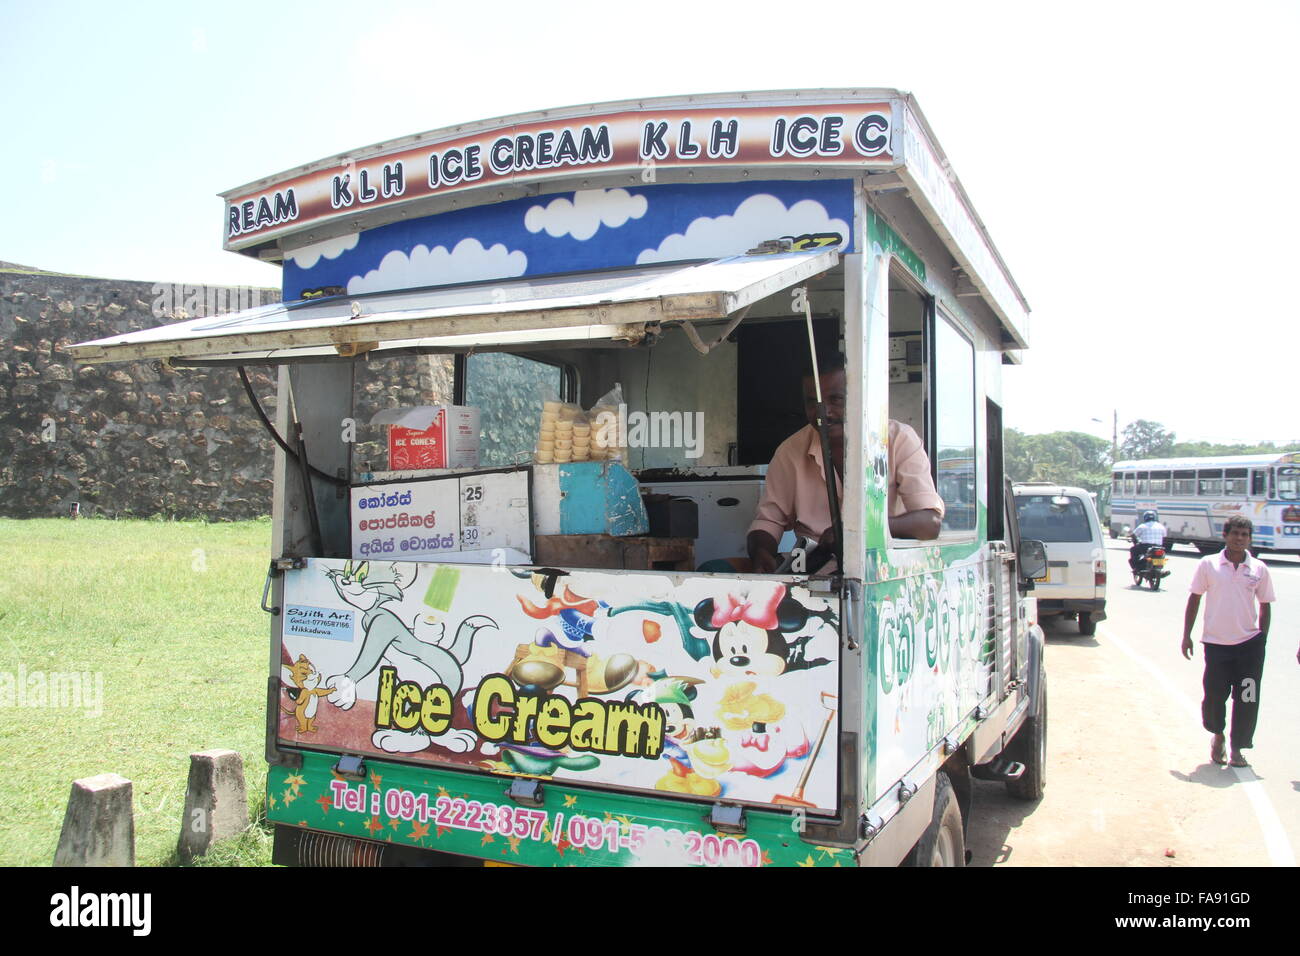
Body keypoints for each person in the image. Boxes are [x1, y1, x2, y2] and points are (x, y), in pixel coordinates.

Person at [746, 356, 944, 573]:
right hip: (813, 575)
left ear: (860, 397)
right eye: (812, 402)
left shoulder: (899, 439)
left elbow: (929, 523)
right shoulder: (789, 451)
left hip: (885, 574)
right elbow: (768, 522)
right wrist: (761, 551)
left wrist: (857, 532)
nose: (824, 413)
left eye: (836, 400)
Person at [1181, 515, 1275, 768]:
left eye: (1245, 534)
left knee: (1247, 698)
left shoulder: (1259, 569)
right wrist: (1187, 634)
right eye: (1235, 533)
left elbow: (1265, 606)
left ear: (1250, 538)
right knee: (1214, 697)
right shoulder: (1208, 564)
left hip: (1249, 647)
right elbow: (1195, 599)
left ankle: (1237, 749)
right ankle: (1218, 735)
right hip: (1216, 645)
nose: (1239, 538)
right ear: (1225, 535)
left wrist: (1261, 639)